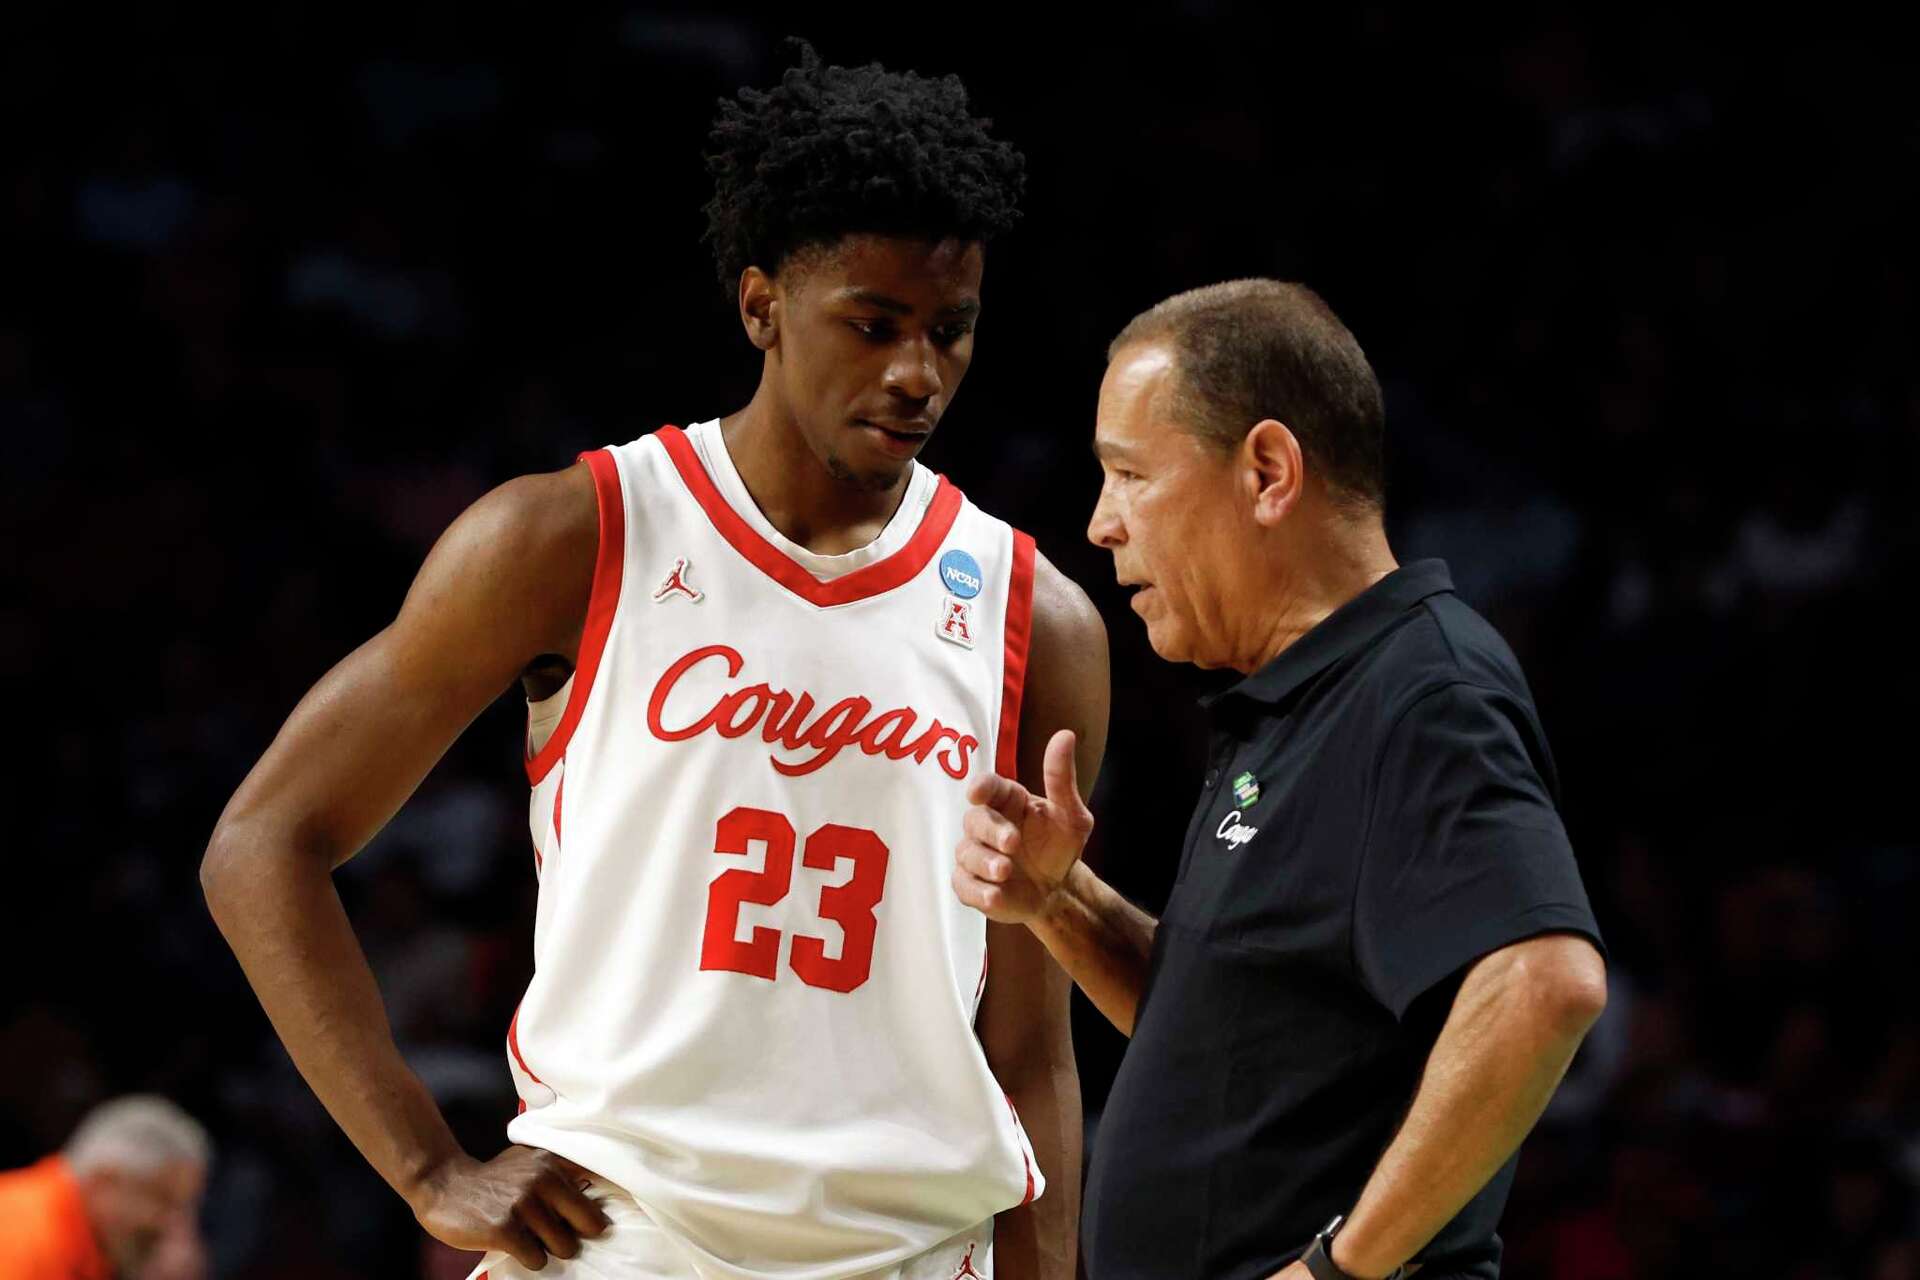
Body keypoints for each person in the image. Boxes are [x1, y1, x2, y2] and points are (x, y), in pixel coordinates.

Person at [201, 44, 1107, 1280]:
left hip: (908, 1249)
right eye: (874, 324)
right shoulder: (569, 537)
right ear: (761, 306)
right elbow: (262, 840)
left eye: (951, 330)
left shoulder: (1034, 617)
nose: (917, 372)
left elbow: (1031, 1049)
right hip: (616, 1239)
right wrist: (428, 1168)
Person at [953, 280, 1607, 1279]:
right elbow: (1243, 1046)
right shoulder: (1304, 699)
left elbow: (1545, 981)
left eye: (1129, 473)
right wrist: (1061, 900)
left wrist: (1334, 1270)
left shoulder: (1422, 690)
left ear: (1267, 472)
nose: (1101, 522)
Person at [0, 1094, 209, 1280]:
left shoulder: (81, 1246)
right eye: (162, 1200)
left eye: (181, 1207)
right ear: (105, 1182)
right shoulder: (25, 1240)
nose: (170, 1224)